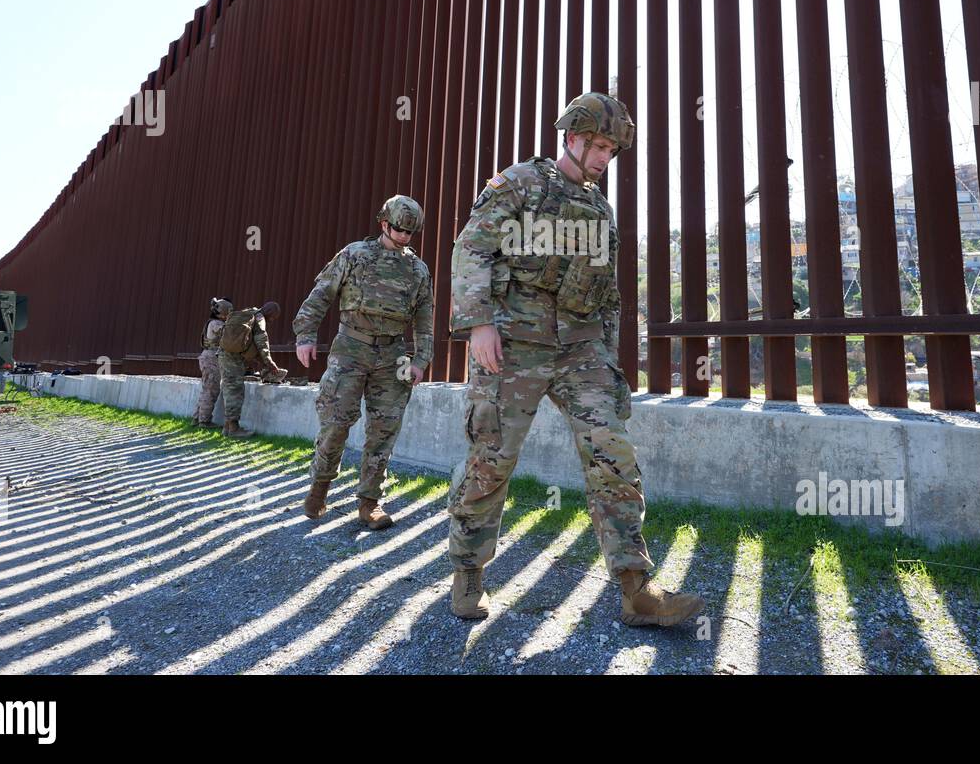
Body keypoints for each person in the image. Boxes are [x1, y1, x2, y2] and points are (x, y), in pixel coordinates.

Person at [447, 91, 707, 627]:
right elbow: (471, 248)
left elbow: (608, 292)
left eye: (612, 150)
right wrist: (479, 324)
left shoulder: (598, 207)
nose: (605, 158)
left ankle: (637, 589)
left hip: (581, 349)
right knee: (491, 459)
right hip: (513, 345)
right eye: (599, 146)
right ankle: (469, 570)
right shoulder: (520, 183)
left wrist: (609, 362)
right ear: (573, 137)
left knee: (614, 455)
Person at [294, 195, 433, 529]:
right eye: (399, 229)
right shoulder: (354, 254)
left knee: (384, 429)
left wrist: (421, 359)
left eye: (410, 233)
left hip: (394, 355)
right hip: (350, 348)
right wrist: (305, 335)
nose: (403, 237)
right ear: (384, 223)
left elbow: (425, 319)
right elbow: (321, 294)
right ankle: (320, 487)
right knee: (336, 421)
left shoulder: (417, 269)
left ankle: (369, 502)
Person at [219, 300, 287, 438]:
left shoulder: (248, 312)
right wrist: (270, 363)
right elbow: (262, 342)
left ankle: (227, 428)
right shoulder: (260, 318)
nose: (272, 321)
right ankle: (233, 428)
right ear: (270, 313)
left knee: (229, 388)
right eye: (273, 317)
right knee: (235, 390)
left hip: (224, 354)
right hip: (233, 358)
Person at [194, 297, 232, 427]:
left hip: (207, 357)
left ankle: (197, 418)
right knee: (211, 390)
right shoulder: (217, 324)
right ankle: (204, 421)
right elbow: (229, 334)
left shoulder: (212, 322)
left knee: (206, 389)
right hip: (211, 359)